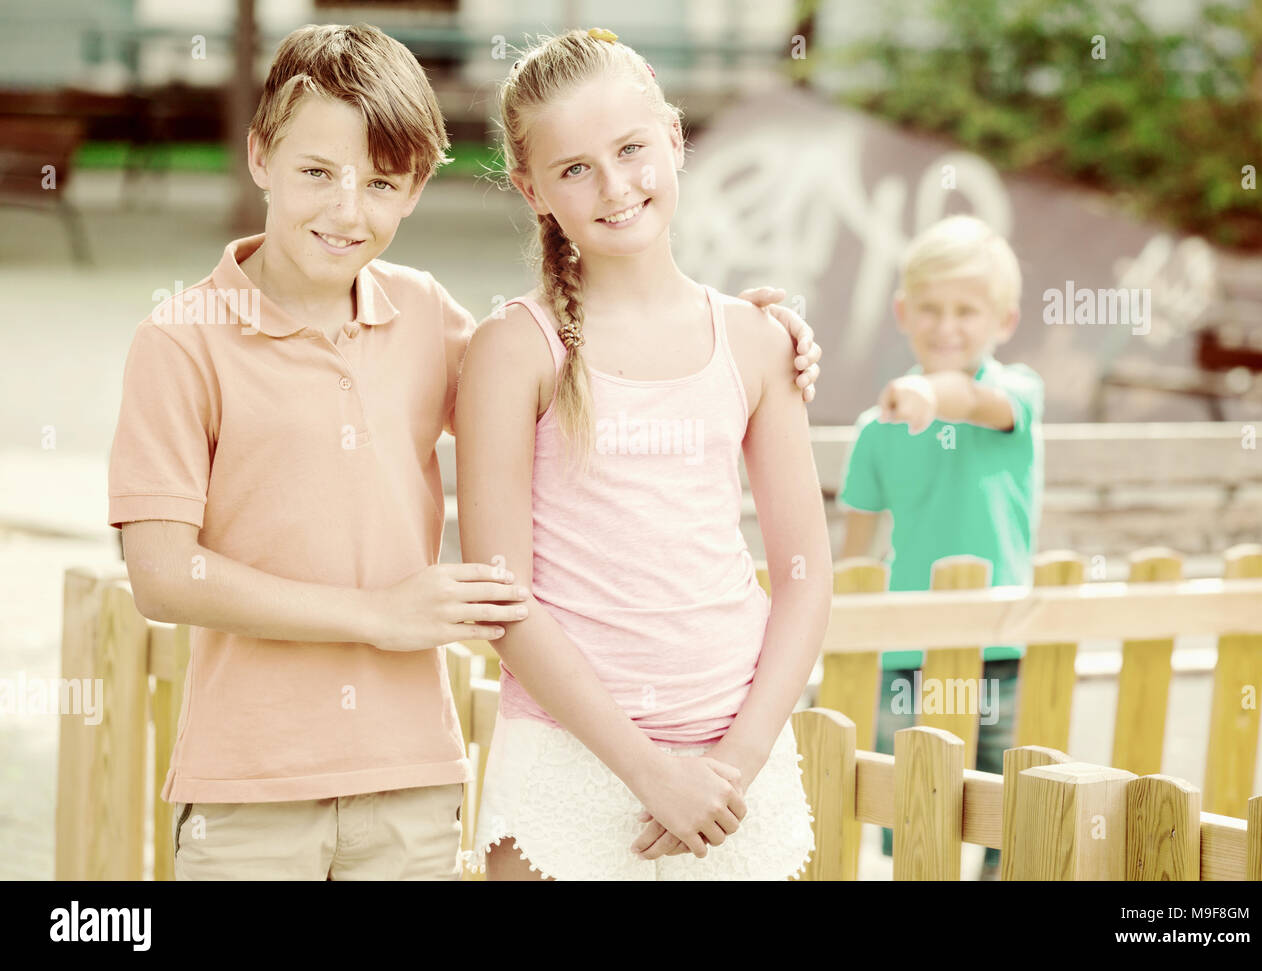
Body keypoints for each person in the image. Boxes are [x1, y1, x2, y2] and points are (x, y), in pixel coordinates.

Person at [107, 23, 821, 881]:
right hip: (250, 785)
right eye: (315, 172)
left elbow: (605, 375)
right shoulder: (181, 338)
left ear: (413, 192)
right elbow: (158, 574)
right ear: (260, 156)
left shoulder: (426, 319)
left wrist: (756, 336)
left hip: (413, 777)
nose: (345, 209)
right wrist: (380, 614)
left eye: (379, 182)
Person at [456, 27, 833, 881]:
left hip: (735, 761)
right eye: (575, 168)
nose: (615, 186)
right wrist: (650, 772)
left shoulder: (757, 340)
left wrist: (730, 766)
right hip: (569, 760)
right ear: (531, 189)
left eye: (631, 149)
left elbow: (807, 575)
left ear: (674, 137)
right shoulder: (514, 350)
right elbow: (502, 599)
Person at [838, 214, 1043, 880]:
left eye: (967, 310)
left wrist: (930, 394)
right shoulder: (878, 430)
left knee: (1015, 816)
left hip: (1004, 650)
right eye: (930, 308)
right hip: (906, 653)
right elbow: (858, 559)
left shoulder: (1015, 397)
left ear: (1003, 321)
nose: (947, 325)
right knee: (915, 818)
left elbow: (971, 401)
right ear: (903, 311)